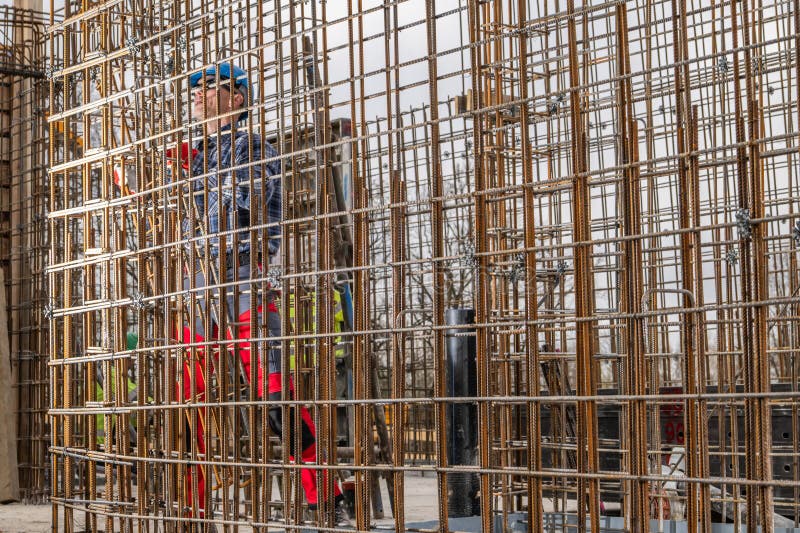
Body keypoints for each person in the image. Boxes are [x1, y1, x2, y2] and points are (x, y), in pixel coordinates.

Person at [179, 62, 348, 526]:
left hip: (241, 285)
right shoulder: (197, 156)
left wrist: (183, 183)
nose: (198, 93)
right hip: (199, 290)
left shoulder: (255, 149)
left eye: (211, 87)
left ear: (237, 100)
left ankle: (324, 495)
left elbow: (236, 216)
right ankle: (191, 507)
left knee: (276, 400)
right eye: (196, 87)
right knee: (184, 402)